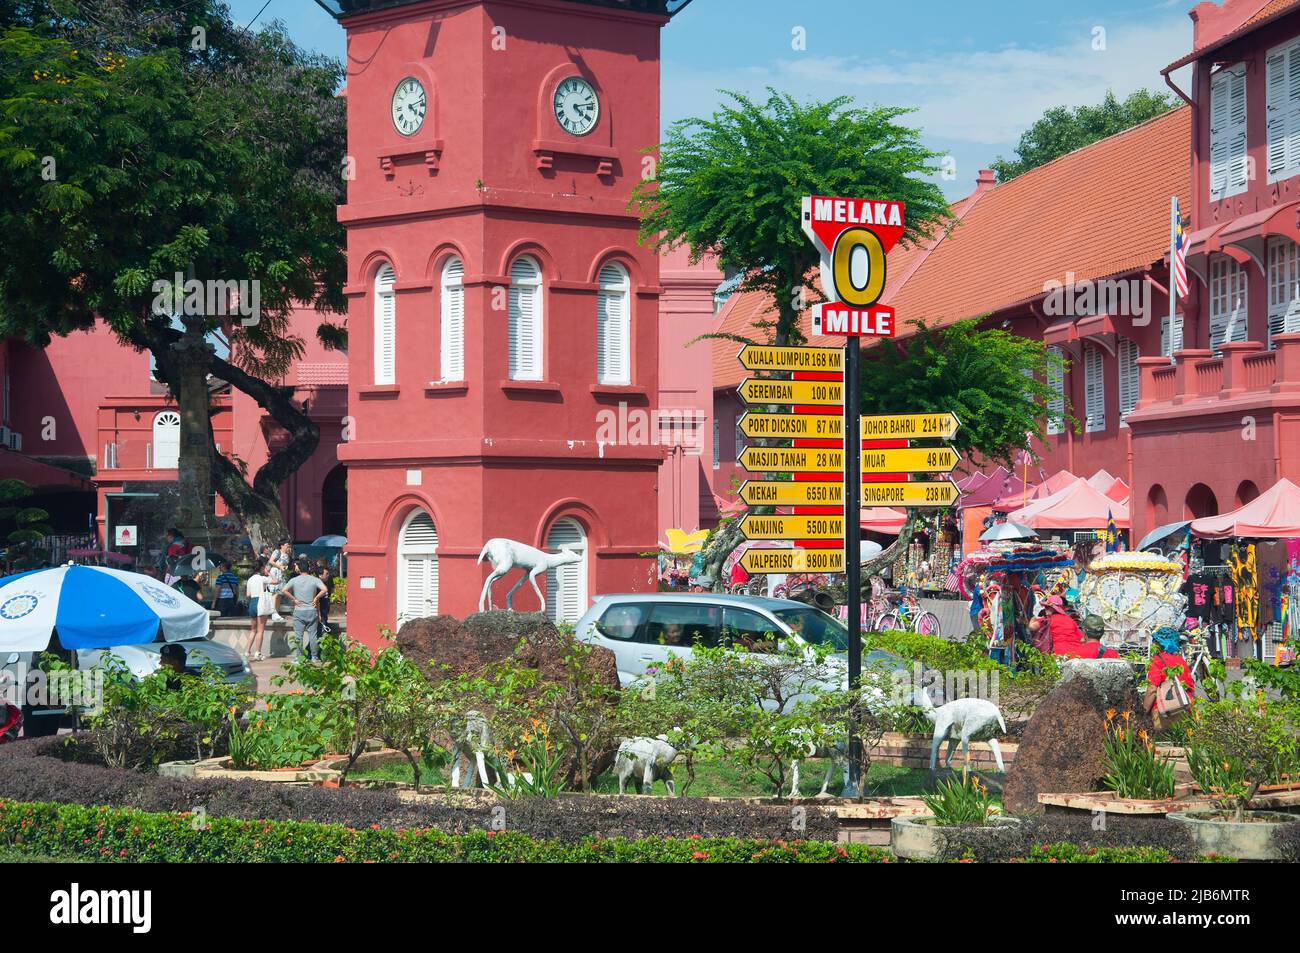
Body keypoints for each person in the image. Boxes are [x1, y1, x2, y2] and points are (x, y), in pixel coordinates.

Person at [1146, 626, 1194, 729]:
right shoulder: (1182, 661)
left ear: (1161, 643)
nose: (1154, 643)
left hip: (1164, 714)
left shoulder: (1157, 660)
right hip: (1185, 710)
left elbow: (1152, 689)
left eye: (1156, 641)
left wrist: (1144, 710)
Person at [282, 559, 328, 661]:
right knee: (313, 635)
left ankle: (299, 658)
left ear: (299, 569)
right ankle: (314, 657)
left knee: (299, 636)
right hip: (312, 610)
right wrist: (316, 598)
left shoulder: (294, 580)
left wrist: (294, 599)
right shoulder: (315, 579)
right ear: (308, 568)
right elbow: (324, 589)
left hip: (299, 611)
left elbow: (284, 590)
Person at [245, 563, 270, 661]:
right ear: (261, 568)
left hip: (252, 603)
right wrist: (268, 573)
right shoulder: (262, 578)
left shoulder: (250, 579)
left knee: (253, 630)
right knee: (260, 631)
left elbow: (248, 594)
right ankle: (258, 653)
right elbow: (276, 581)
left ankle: (247, 651)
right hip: (260, 602)